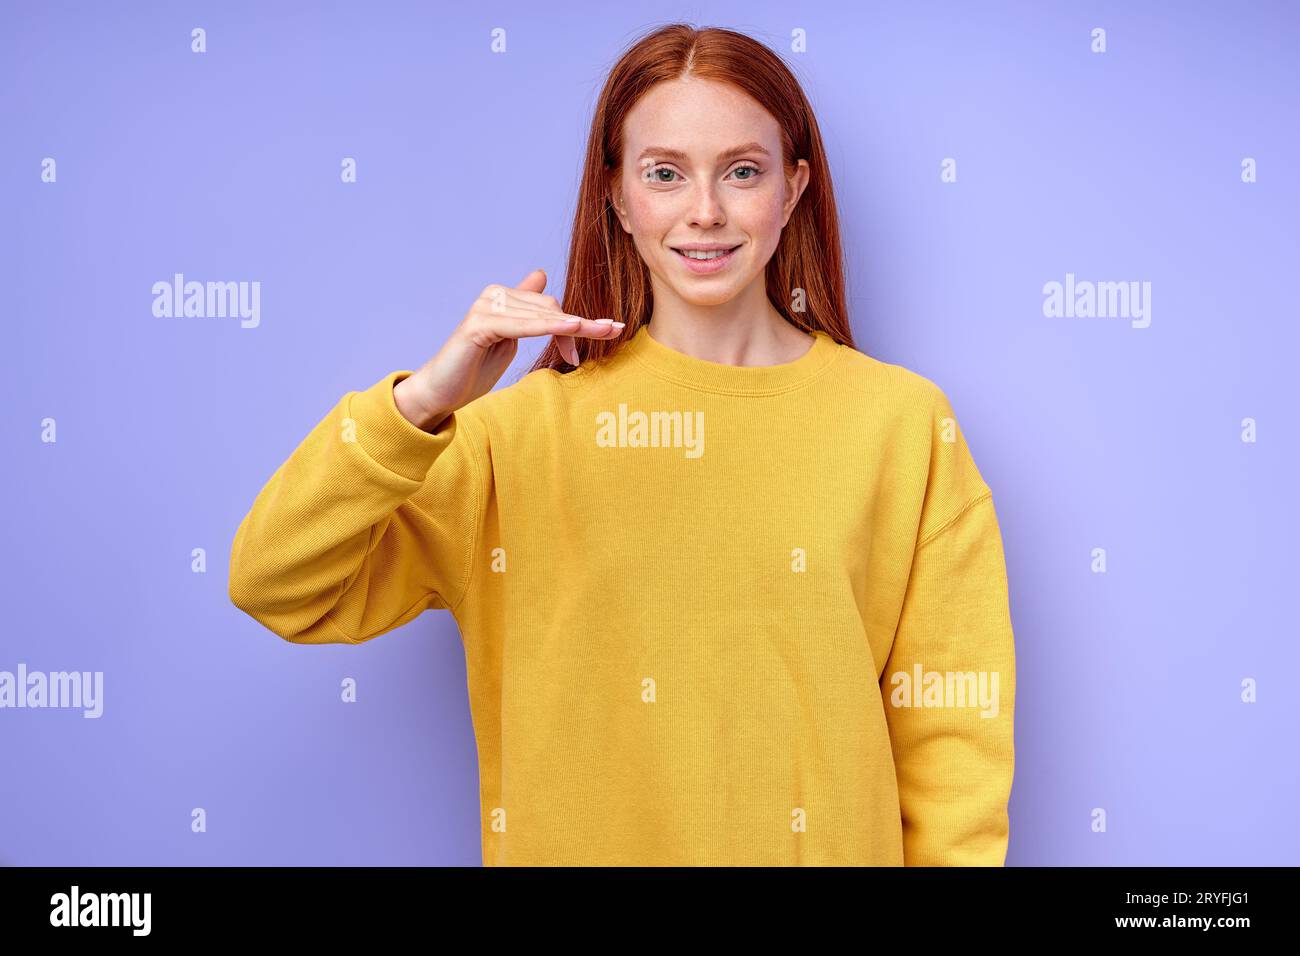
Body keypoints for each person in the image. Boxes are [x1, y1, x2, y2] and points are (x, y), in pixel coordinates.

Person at [229, 23, 1016, 867]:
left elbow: (953, 750)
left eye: (742, 171)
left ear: (793, 189)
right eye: (665, 174)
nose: (704, 210)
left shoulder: (900, 425)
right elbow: (275, 582)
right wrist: (422, 403)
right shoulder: (513, 437)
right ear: (617, 195)